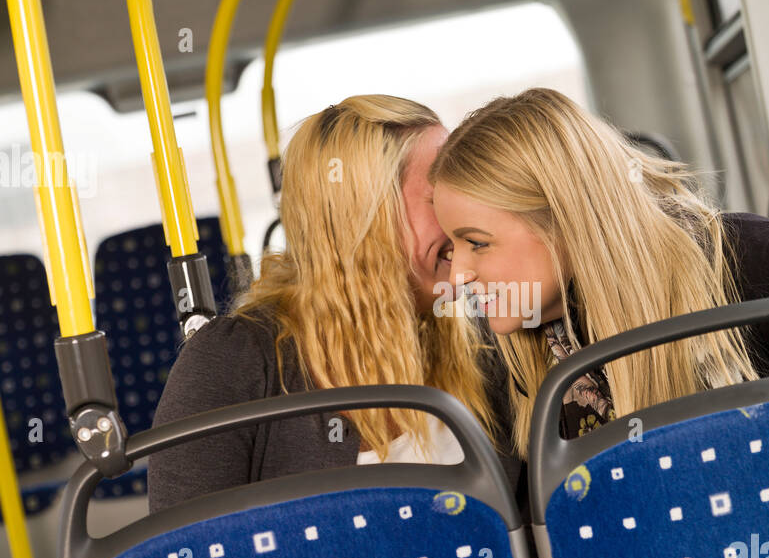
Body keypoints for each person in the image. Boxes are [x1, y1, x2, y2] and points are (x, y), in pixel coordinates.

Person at [430, 88, 769, 456]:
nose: (458, 276)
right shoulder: (522, 363)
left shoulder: (763, 265)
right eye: (453, 247)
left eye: (477, 243)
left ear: (564, 220)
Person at [147, 95, 511, 513]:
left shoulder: (482, 330)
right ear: (364, 219)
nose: (468, 217)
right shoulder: (234, 365)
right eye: (440, 198)